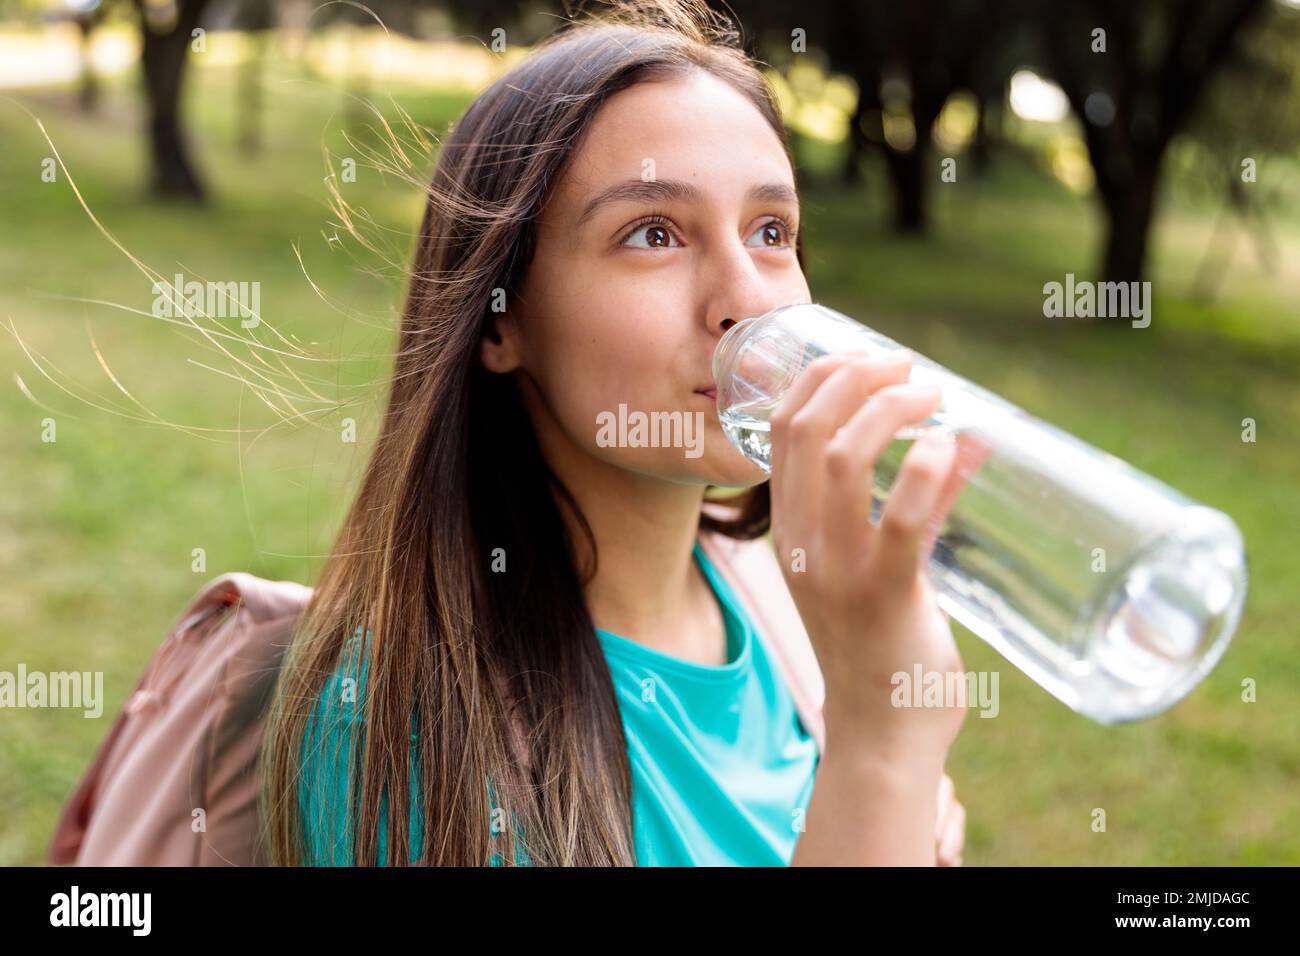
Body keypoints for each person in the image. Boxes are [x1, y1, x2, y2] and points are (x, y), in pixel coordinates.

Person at [261, 0, 968, 866]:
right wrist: (883, 749)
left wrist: (883, 811)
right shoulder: (406, 725)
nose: (746, 300)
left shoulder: (774, 596)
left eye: (770, 231)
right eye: (654, 233)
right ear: (498, 322)